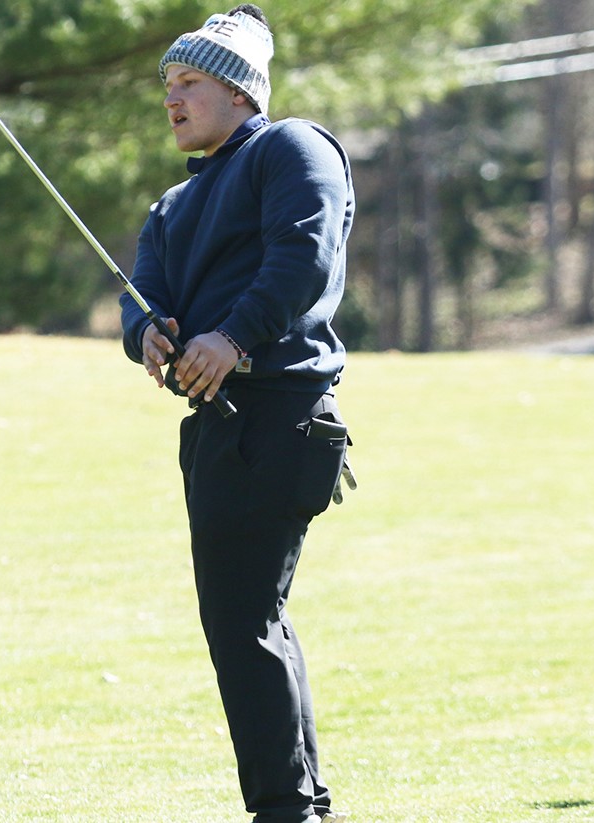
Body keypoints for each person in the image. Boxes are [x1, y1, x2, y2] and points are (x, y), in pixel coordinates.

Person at [118, 5, 355, 822]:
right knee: (243, 619)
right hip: (215, 430)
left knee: (244, 619)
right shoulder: (171, 205)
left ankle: (286, 809)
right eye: (166, 86)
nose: (171, 99)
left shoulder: (292, 148)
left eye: (188, 82)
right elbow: (142, 292)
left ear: (238, 92)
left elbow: (304, 257)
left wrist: (231, 336)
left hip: (280, 412)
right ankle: (296, 804)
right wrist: (146, 332)